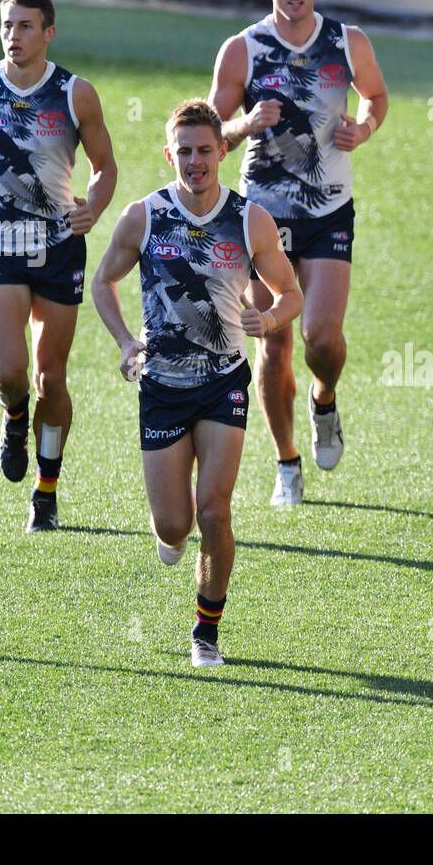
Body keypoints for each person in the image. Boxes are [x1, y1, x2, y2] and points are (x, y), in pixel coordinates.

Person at [92, 99, 302, 667]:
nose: (194, 161)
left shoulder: (249, 219)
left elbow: (291, 294)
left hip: (223, 383)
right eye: (183, 151)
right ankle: (172, 530)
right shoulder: (144, 216)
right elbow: (102, 282)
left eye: (204, 150)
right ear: (170, 155)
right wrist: (125, 341)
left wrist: (272, 319)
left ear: (222, 151)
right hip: (161, 386)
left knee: (215, 511)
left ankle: (206, 632)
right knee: (175, 524)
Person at [208, 0, 387, 506]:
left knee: (323, 338)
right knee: (273, 342)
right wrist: (245, 123)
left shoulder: (347, 40)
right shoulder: (243, 48)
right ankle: (287, 463)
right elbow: (211, 132)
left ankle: (325, 398)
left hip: (330, 207)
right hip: (264, 212)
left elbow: (376, 96)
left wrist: (364, 126)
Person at [0, 0, 118, 531]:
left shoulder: (75, 93)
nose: (13, 36)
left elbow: (105, 167)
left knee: (51, 378)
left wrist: (96, 207)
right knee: (10, 371)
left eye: (25, 26)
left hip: (60, 249)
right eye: (7, 25)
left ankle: (46, 491)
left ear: (48, 33)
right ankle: (14, 418)